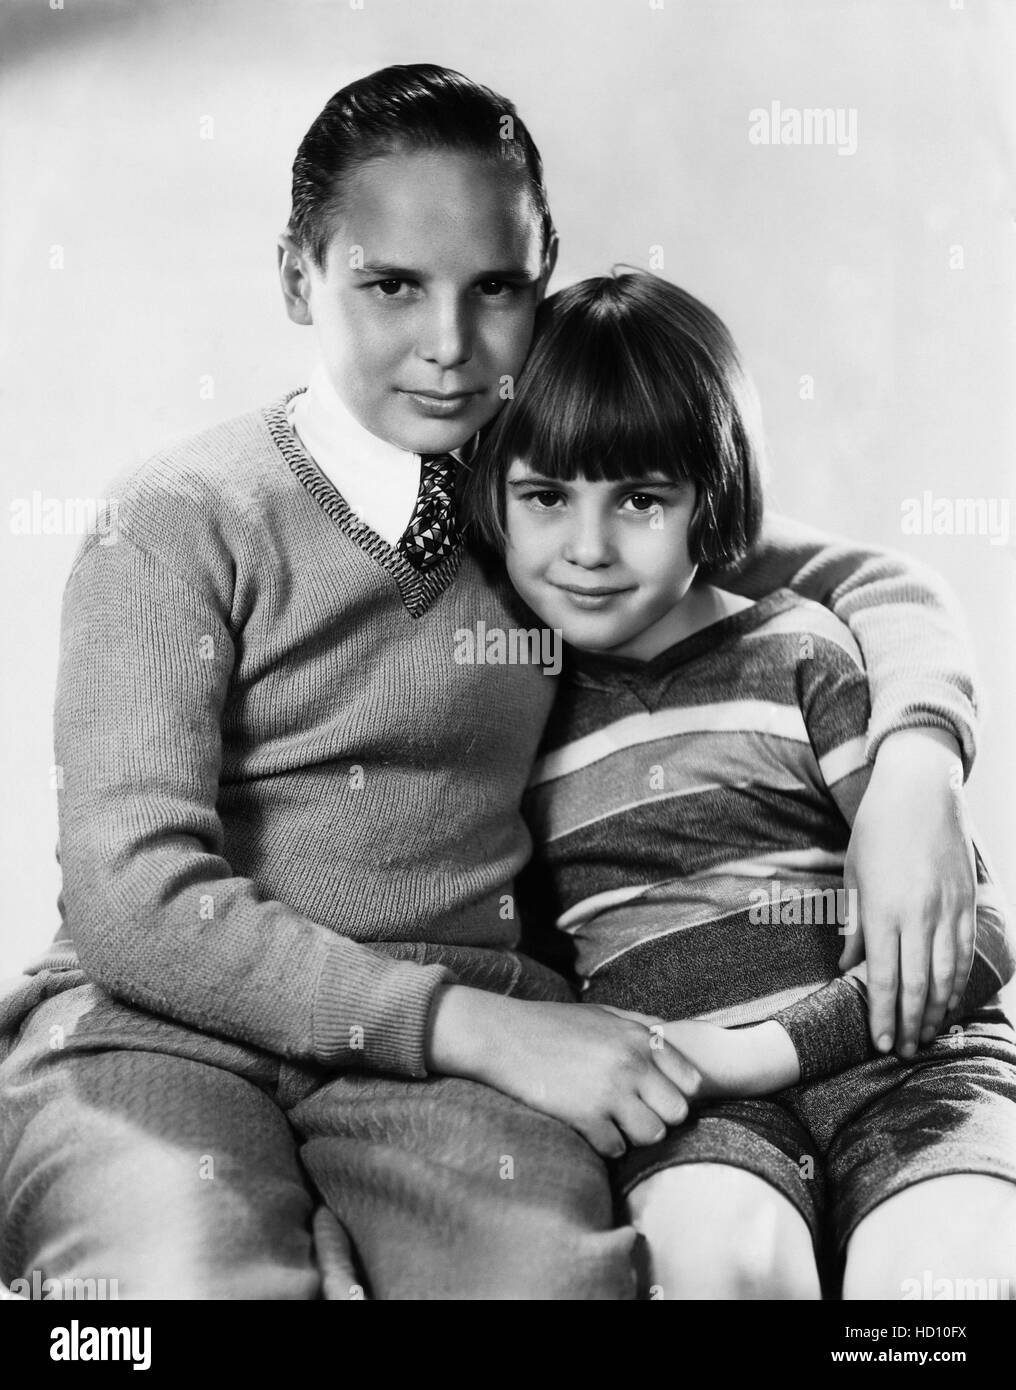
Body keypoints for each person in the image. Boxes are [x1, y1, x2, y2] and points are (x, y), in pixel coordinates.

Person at [0, 67, 990, 1301]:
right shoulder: (173, 521)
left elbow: (864, 578)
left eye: (497, 289)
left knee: (551, 1287)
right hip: (175, 1022)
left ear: (544, 279)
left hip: (448, 1068)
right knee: (175, 1292)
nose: (450, 345)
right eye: (390, 285)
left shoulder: (539, 495)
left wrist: (911, 763)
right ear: (298, 276)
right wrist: (476, 1026)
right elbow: (130, 893)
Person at [461, 268, 1016, 1299]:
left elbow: (978, 934)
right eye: (544, 495)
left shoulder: (801, 653)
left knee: (942, 1279)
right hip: (693, 1111)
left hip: (904, 1070)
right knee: (720, 1263)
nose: (586, 548)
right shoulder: (509, 713)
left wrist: (760, 1050)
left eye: (638, 498)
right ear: (493, 496)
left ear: (707, 495)